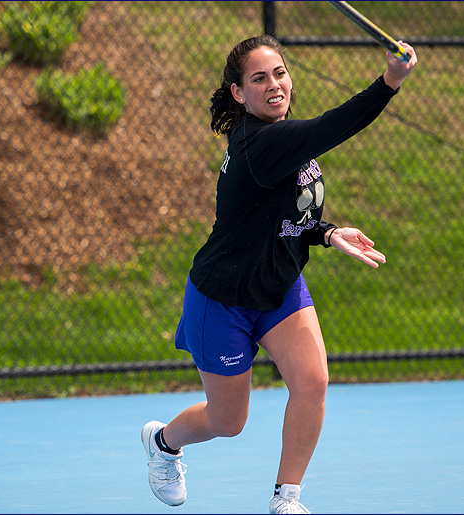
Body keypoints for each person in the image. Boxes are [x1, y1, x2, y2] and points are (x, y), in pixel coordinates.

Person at [141, 34, 417, 514]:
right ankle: (162, 443)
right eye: (259, 78)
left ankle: (285, 498)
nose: (274, 85)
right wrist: (390, 82)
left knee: (312, 383)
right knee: (228, 422)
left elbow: (281, 215)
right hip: (222, 298)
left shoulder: (281, 141)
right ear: (238, 94)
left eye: (280, 73)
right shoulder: (260, 143)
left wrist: (327, 233)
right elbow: (335, 126)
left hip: (279, 286)